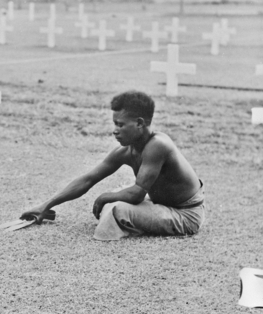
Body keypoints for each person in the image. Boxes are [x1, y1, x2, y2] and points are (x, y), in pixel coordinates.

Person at [20, 90, 206, 240]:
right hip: (161, 203)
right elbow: (89, 179)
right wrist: (46, 205)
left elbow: (136, 194)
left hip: (186, 215)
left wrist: (104, 197)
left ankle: (132, 224)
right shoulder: (127, 151)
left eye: (120, 125)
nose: (114, 130)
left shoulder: (158, 145)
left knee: (117, 208)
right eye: (114, 124)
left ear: (140, 123)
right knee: (116, 204)